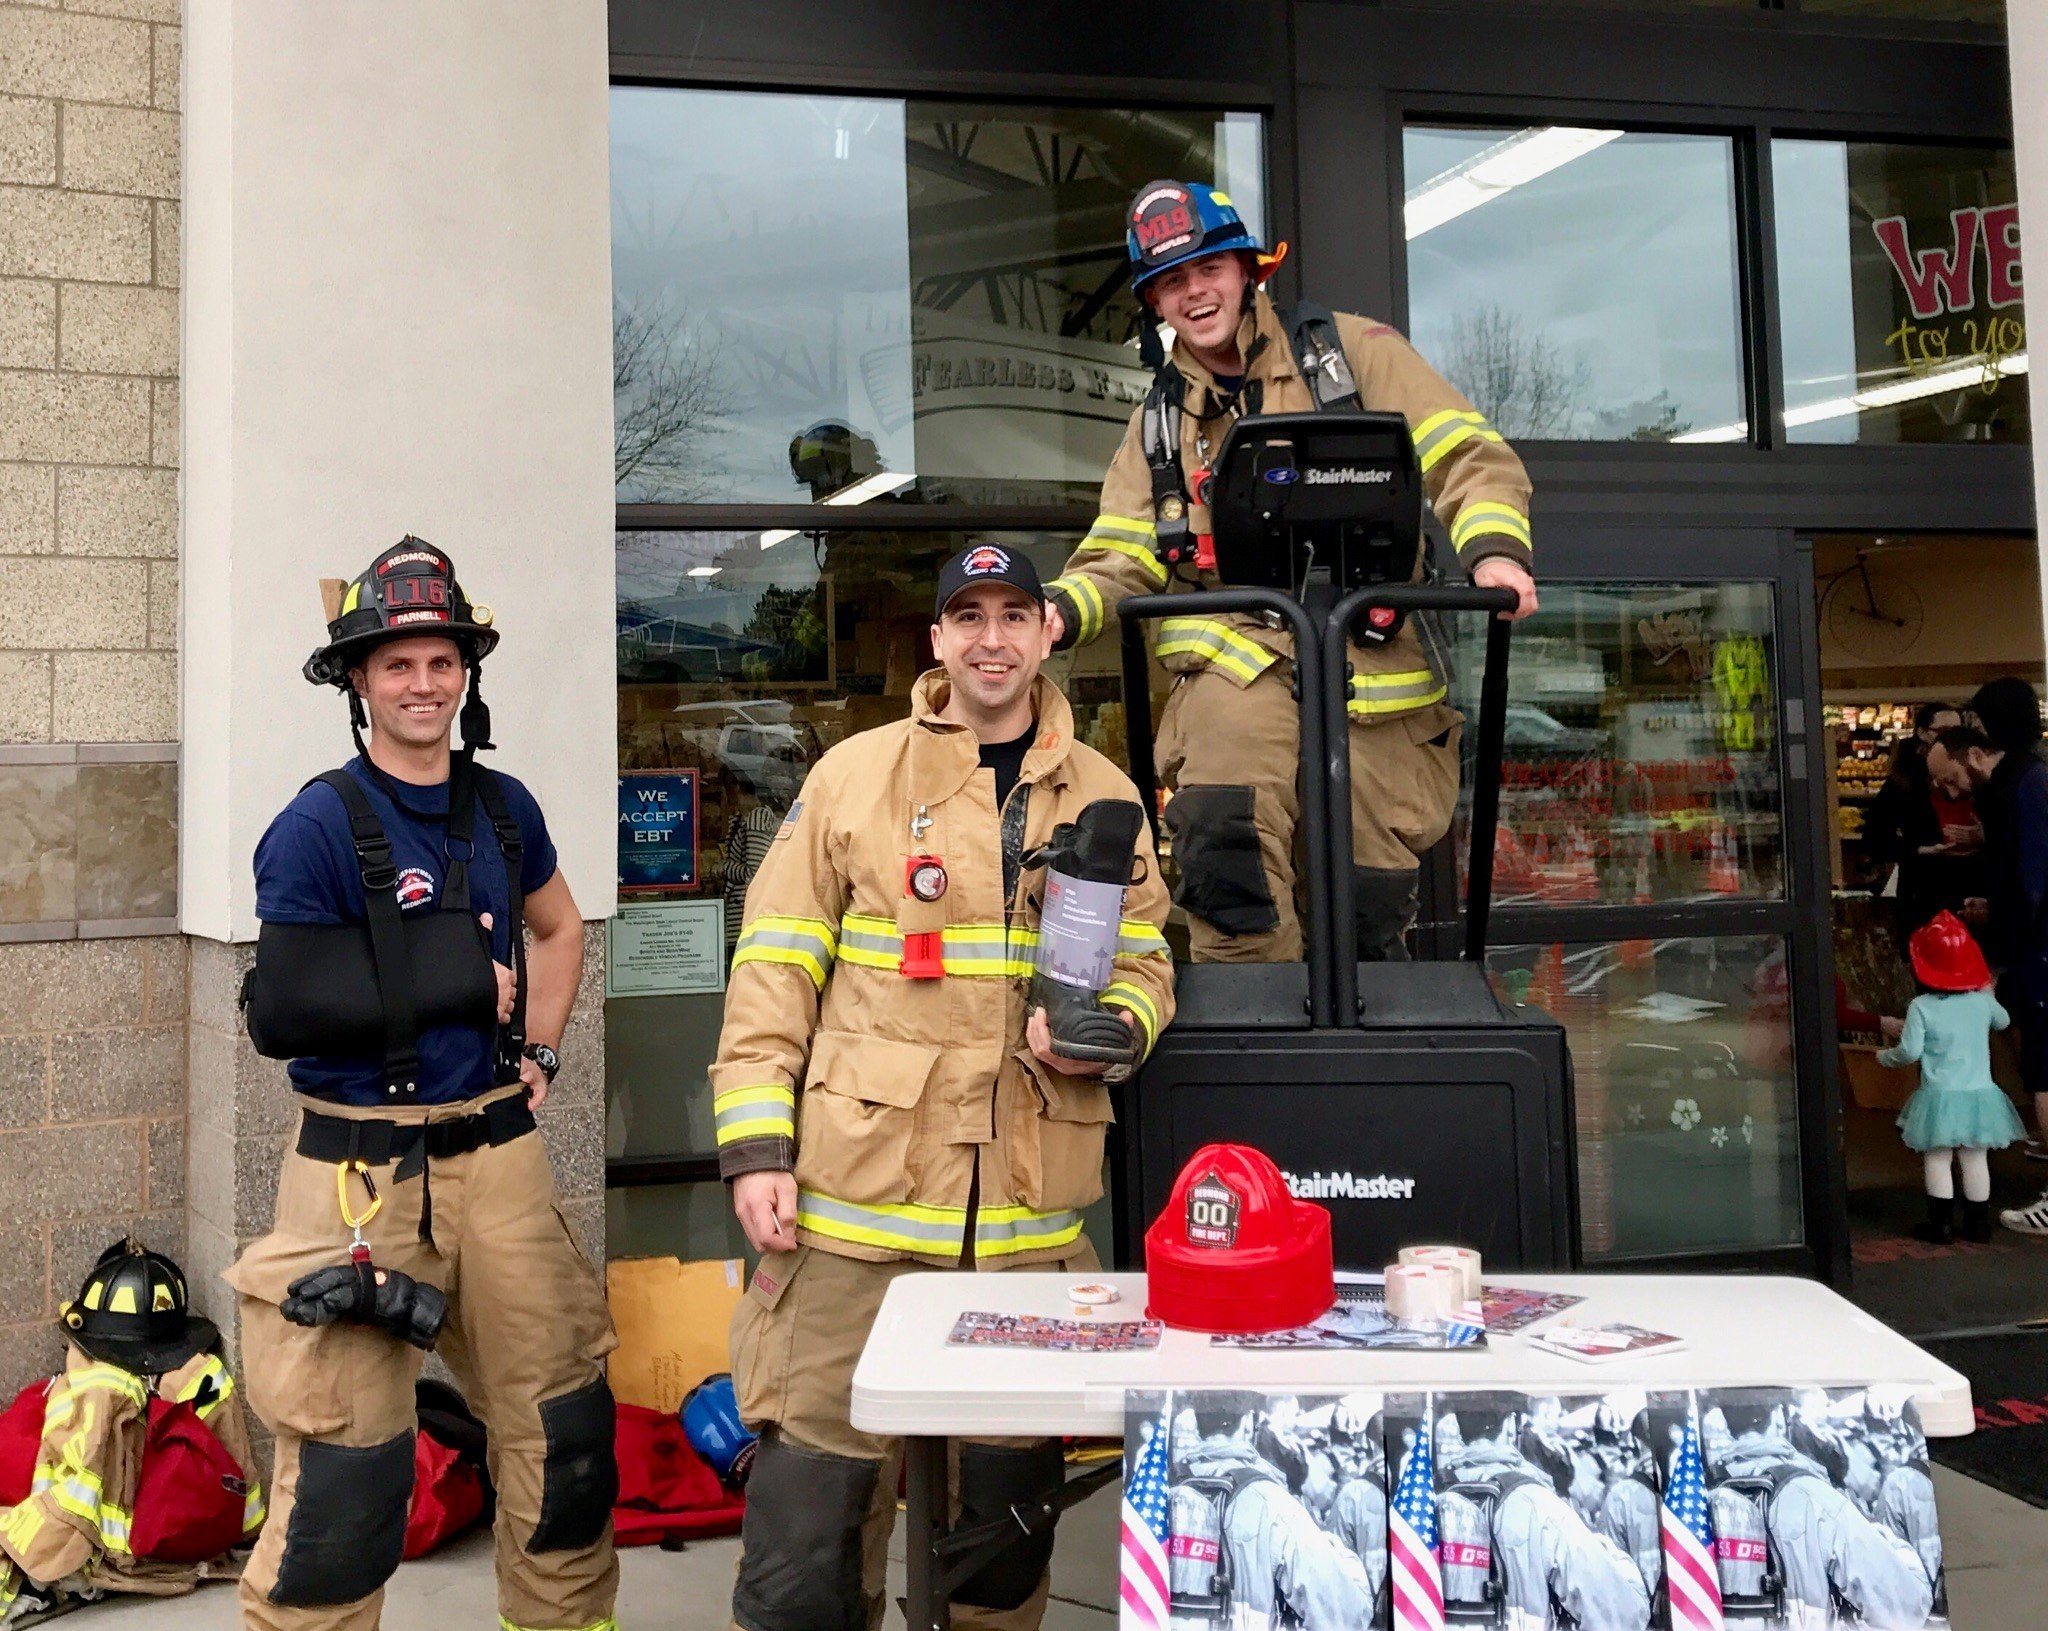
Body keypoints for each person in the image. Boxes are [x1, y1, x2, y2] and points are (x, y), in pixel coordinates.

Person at [712, 545, 1176, 1631]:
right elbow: (774, 966)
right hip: (846, 1229)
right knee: (803, 1562)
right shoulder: (851, 778)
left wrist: (1117, 1029)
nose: (992, 638)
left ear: (1046, 632)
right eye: (966, 616)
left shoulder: (1105, 794)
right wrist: (753, 1148)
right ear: (935, 641)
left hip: (1022, 1232)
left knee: (996, 1562)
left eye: (1015, 613)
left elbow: (1147, 959)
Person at [228, 539, 617, 1631]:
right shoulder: (315, 823)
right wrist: (454, 982)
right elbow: (289, 1008)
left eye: (440, 661)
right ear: (358, 680)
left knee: (564, 1428)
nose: (421, 683)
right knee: (347, 1473)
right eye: (395, 664)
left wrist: (536, 1051)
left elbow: (557, 923)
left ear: (465, 675)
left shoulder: (503, 808)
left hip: (498, 1157)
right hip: (355, 1177)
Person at [1044, 180, 1538, 964]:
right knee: (1225, 860)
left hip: (1375, 684)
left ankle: (1369, 1076)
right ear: (1155, 304)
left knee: (1365, 905)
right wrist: (1058, 612)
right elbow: (1121, 554)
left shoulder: (1352, 355)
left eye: (1207, 268)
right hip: (1233, 679)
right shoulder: (1158, 425)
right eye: (1171, 283)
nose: (1194, 293)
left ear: (1246, 269)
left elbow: (1468, 457)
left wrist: (1496, 553)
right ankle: (1254, 1053)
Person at [1927, 714, 2048, 1235]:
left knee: (2044, 1071)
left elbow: (2033, 880)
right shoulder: (2025, 785)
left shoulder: (2022, 789)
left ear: (1975, 756)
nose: (1950, 791)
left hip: (2038, 954)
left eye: (1950, 777)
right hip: (2028, 952)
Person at [1702, 1396, 1934, 1626]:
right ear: (1780, 1417)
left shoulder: (1707, 1497)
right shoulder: (1817, 1499)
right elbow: (1906, 1610)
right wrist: (1893, 1543)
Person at [1878, 910, 2026, 1242]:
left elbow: (1910, 1052)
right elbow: (2003, 1022)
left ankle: (1940, 1226)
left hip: (1938, 1096)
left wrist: (1885, 1057)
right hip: (1979, 1095)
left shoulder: (1921, 1007)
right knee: (1975, 1158)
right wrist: (1988, 993)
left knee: (1937, 1158)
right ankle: (1978, 1225)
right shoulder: (1980, 1003)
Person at [1862, 702, 1979, 946]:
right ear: (1923, 733)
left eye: (1957, 730)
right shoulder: (1904, 782)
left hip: (1973, 892)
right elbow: (1874, 837)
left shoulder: (1980, 772)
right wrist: (1919, 849)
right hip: (1924, 894)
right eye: (1943, 731)